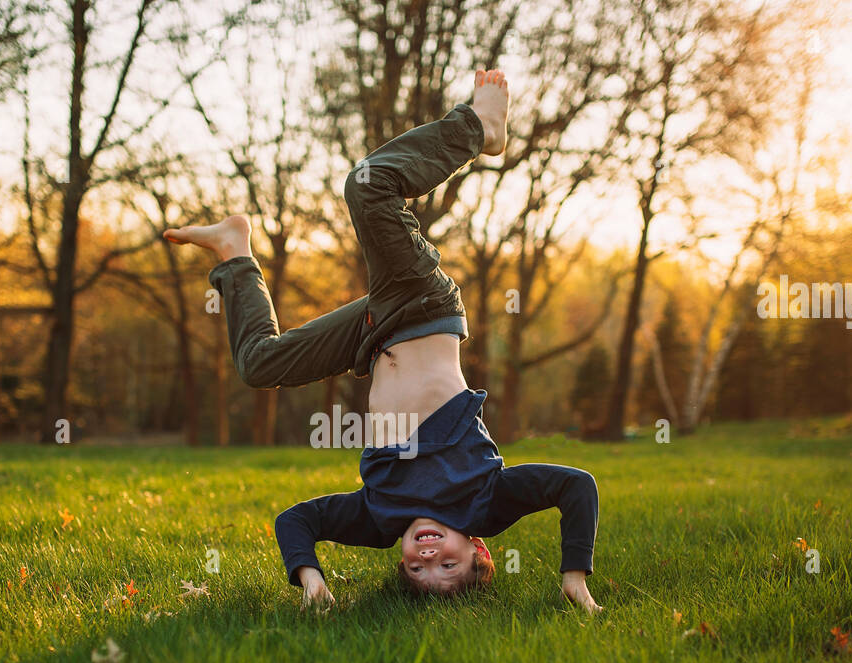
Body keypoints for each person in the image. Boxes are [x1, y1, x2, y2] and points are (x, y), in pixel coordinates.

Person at [166, 70, 601, 613]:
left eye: (417, 568)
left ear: (399, 557)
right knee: (369, 185)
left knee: (260, 364)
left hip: (373, 335)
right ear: (478, 547)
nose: (429, 555)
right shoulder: (485, 503)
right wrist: (574, 577)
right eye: (449, 563)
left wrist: (311, 580)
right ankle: (480, 128)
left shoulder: (377, 518)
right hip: (422, 304)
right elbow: (575, 486)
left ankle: (234, 254)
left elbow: (296, 520)